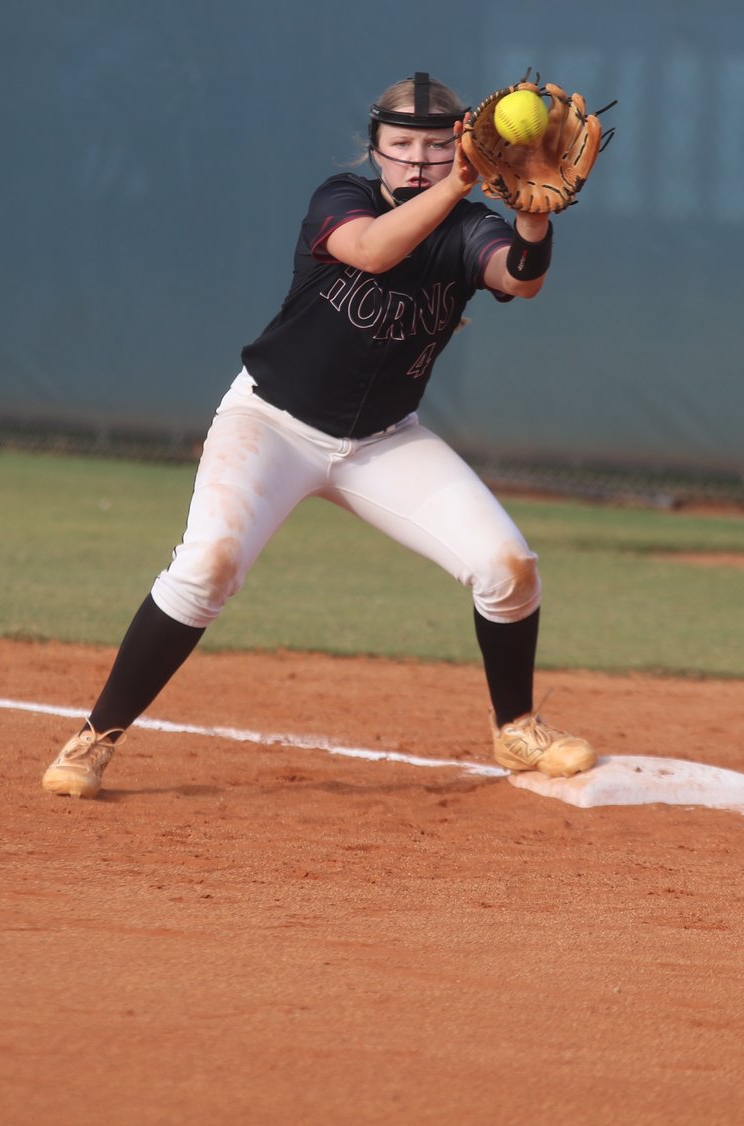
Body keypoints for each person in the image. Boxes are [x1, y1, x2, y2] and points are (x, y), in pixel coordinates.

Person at [41, 72, 597, 800]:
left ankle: (516, 727)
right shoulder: (342, 199)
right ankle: (95, 737)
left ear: (465, 143)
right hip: (269, 423)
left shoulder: (469, 228)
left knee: (508, 567)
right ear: (374, 150)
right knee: (207, 565)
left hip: (382, 442)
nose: (418, 161)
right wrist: (460, 184)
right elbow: (370, 252)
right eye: (399, 145)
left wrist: (532, 219)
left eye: (435, 147)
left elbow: (518, 279)